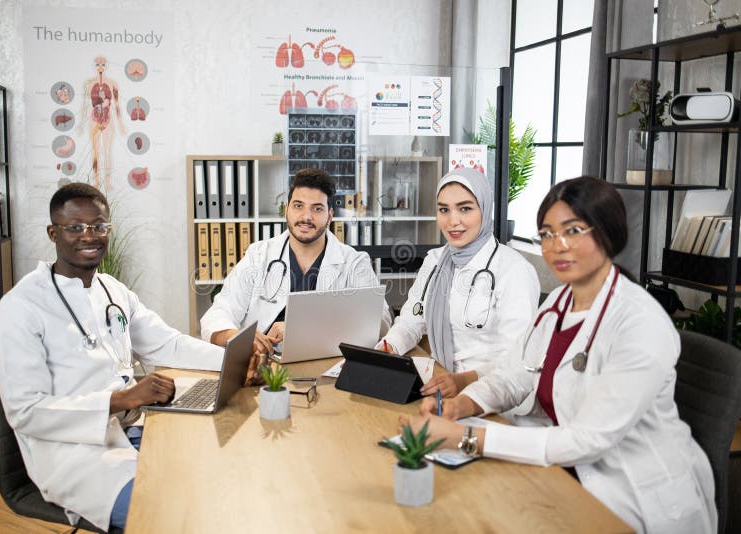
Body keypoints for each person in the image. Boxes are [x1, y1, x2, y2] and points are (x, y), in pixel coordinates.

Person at [401, 177, 716, 533]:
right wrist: (463, 404)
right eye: (547, 234)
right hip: (560, 468)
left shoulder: (640, 323)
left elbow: (588, 439)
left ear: (609, 234)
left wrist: (467, 439)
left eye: (573, 231)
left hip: (628, 491)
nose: (557, 246)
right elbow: (514, 373)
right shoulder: (557, 304)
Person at [0, 183, 255, 531]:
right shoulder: (20, 307)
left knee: (227, 476)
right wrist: (121, 399)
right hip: (75, 456)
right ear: (53, 233)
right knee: (172, 516)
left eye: (99, 226)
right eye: (75, 227)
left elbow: (168, 344)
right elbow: (25, 413)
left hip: (135, 429)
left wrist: (235, 360)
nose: (90, 236)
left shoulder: (111, 290)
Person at [378, 168, 539, 397]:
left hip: (494, 394)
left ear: (484, 209)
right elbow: (410, 322)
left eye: (465, 208)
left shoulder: (513, 269)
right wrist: (387, 349)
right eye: (444, 210)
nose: (453, 221)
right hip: (440, 383)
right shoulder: (435, 260)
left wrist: (464, 380)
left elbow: (518, 357)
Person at [201, 168, 391, 359]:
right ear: (287, 209)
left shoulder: (354, 262)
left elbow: (380, 323)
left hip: (325, 363)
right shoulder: (258, 256)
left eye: (317, 209)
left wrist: (301, 328)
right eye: (298, 206)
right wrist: (237, 337)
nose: (306, 217)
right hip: (264, 363)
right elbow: (218, 314)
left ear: (330, 216)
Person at [80, 55, 124, 190]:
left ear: (107, 66)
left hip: (108, 120)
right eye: (97, 64)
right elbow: (85, 105)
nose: (100, 67)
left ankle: (108, 181)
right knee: (95, 152)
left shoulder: (113, 83)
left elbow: (117, 105)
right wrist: (81, 123)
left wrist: (121, 124)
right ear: (93, 66)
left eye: (103, 64)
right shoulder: (88, 83)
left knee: (107, 151)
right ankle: (96, 182)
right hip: (93, 119)